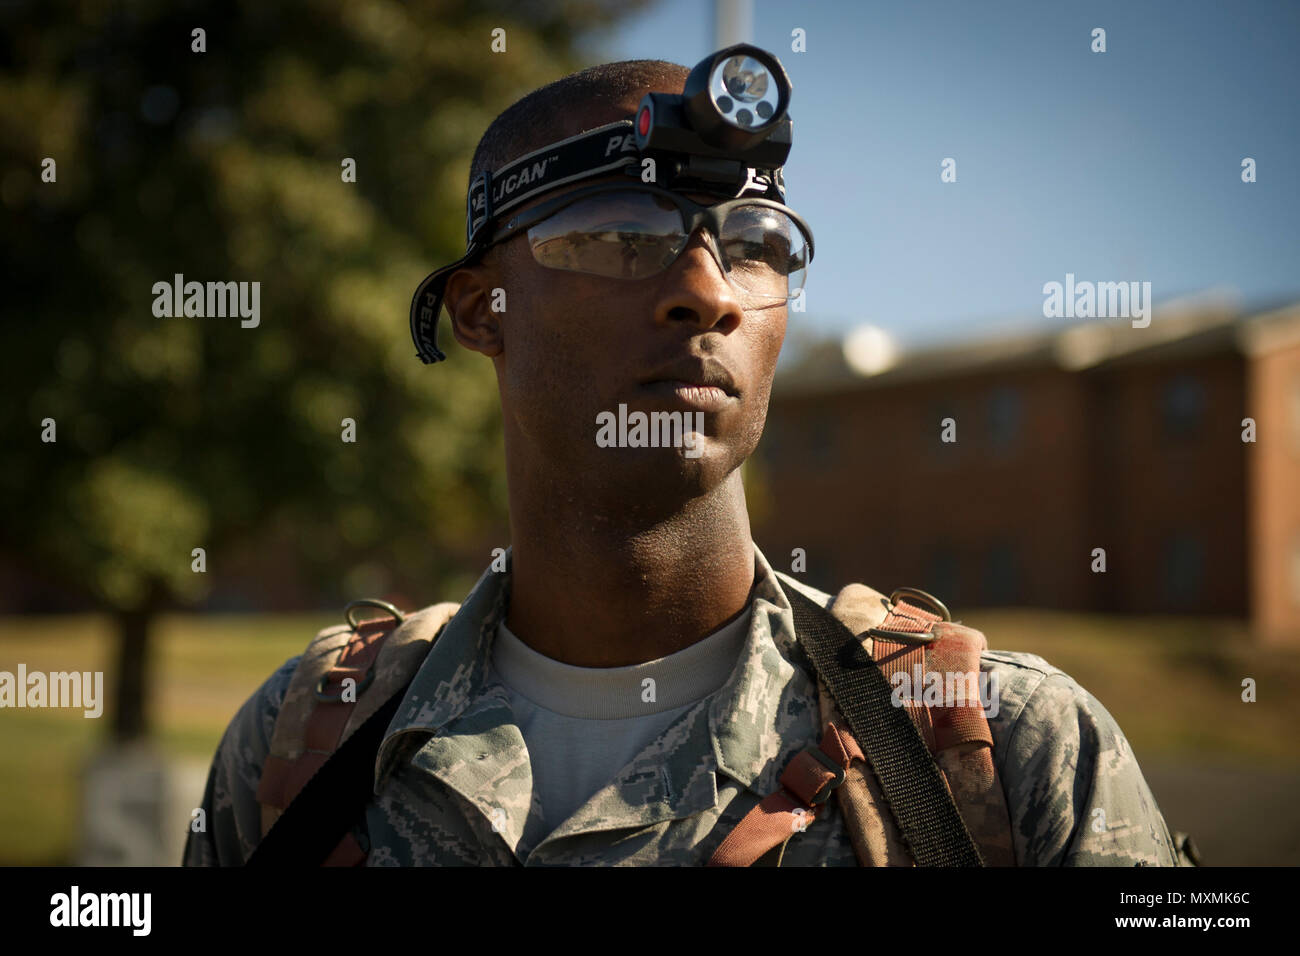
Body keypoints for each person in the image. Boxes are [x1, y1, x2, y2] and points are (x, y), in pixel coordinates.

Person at [184, 56, 1188, 867]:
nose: (710, 291)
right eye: (623, 234)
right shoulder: (311, 737)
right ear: (485, 311)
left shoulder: (994, 742)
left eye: (754, 242)